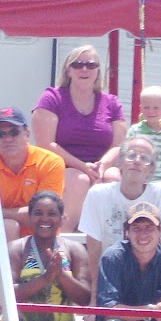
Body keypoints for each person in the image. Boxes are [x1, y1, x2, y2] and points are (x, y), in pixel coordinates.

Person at [11, 192, 99, 321]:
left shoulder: (74, 249)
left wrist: (60, 276)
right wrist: (44, 279)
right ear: (30, 217)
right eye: (38, 213)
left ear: (62, 218)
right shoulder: (16, 249)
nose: (45, 219)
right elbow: (7, 295)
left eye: (52, 214)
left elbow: (85, 298)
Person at [32, 45, 127, 229]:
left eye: (91, 65)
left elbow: (119, 145)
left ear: (98, 71)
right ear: (68, 70)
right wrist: (83, 167)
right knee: (80, 180)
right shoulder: (52, 98)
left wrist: (102, 166)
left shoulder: (112, 103)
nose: (84, 69)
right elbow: (45, 144)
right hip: (62, 166)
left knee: (113, 177)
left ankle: (113, 240)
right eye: (77, 64)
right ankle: (62, 238)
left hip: (100, 166)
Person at [78, 135, 161, 294]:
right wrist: (95, 298)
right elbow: (94, 253)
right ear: (119, 162)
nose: (137, 161)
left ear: (151, 169)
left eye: (145, 158)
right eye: (131, 155)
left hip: (153, 282)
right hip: (110, 281)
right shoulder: (97, 195)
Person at [0, 107, 65, 243]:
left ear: (27, 134)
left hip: (40, 241)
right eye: (0, 134)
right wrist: (23, 214)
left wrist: (0, 213)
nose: (8, 139)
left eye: (14, 133)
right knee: (9, 227)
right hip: (0, 244)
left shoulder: (50, 162)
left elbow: (45, 216)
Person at [128, 85, 161, 185]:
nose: (151, 111)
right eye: (146, 107)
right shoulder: (135, 130)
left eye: (156, 108)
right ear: (141, 109)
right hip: (139, 180)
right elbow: (127, 157)